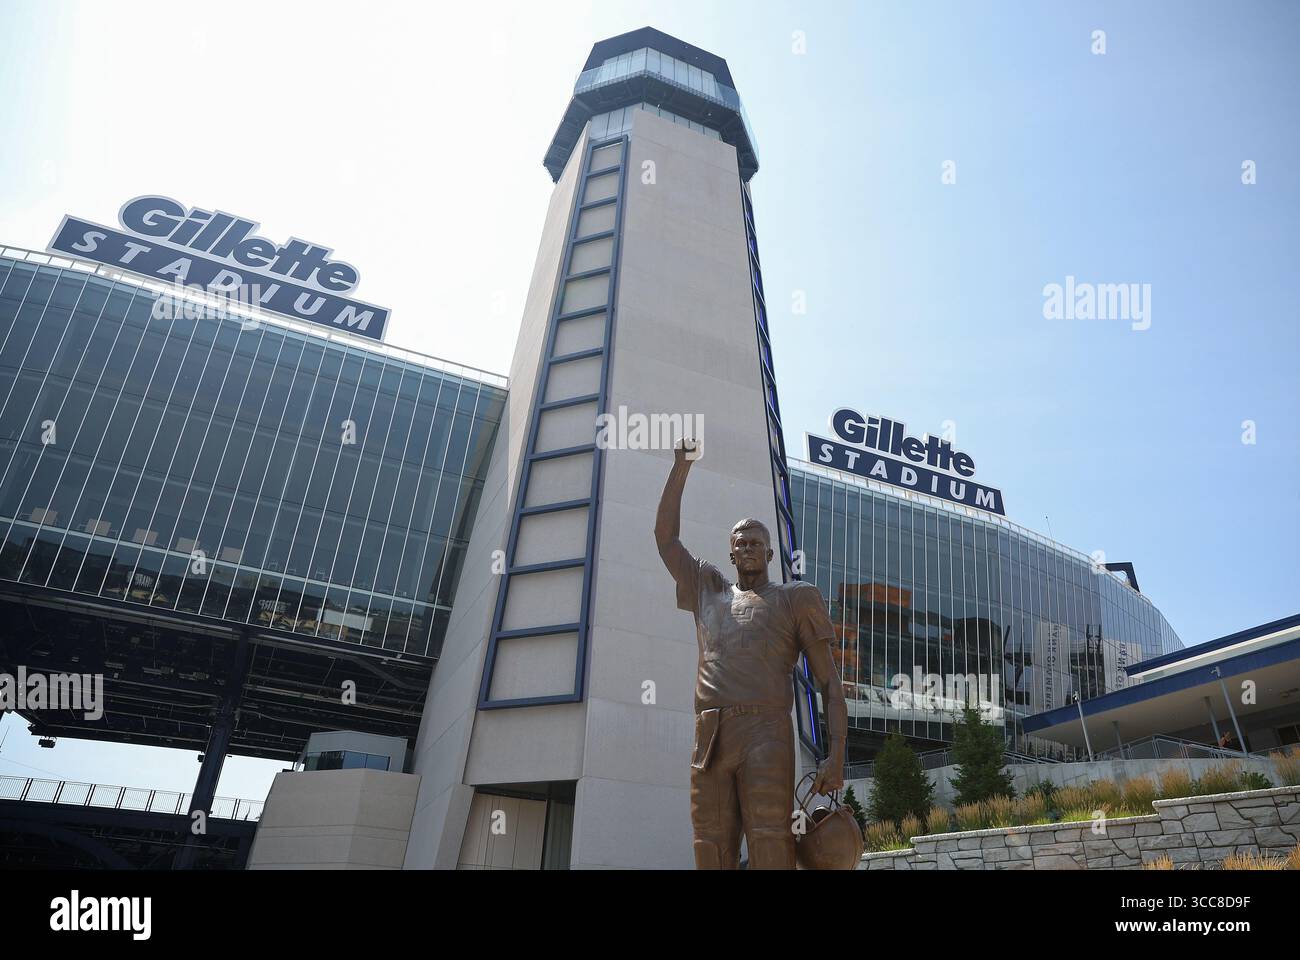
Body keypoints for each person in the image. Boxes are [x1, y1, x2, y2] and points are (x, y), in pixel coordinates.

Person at [655, 438, 848, 869]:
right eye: (740, 543)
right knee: (709, 844)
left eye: (755, 543)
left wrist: (835, 755)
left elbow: (829, 683)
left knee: (770, 841)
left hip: (766, 731)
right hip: (711, 733)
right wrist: (681, 467)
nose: (746, 549)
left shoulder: (794, 598)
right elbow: (666, 539)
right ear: (730, 552)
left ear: (770, 552)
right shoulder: (708, 588)